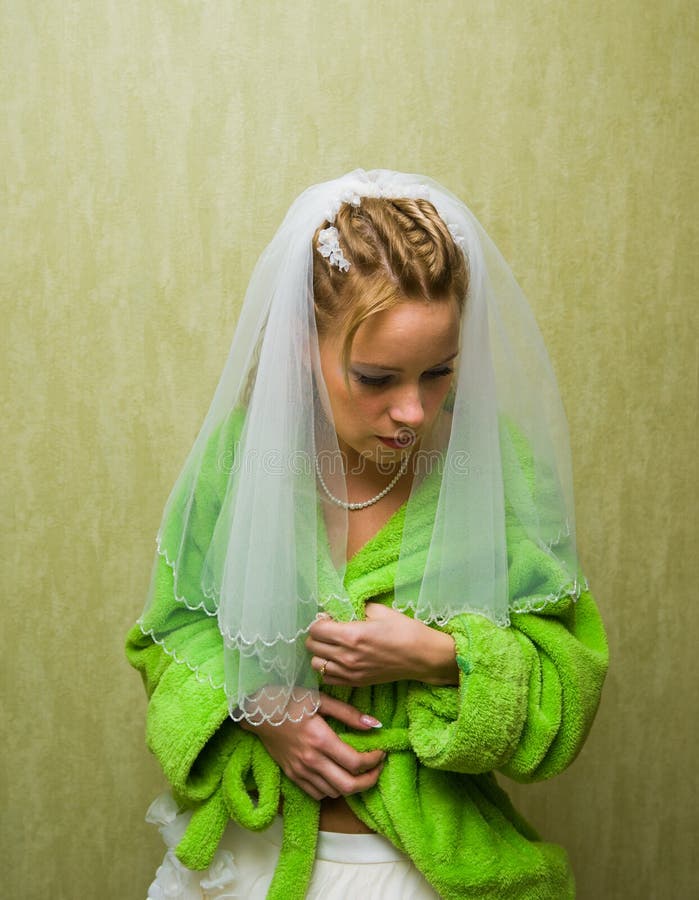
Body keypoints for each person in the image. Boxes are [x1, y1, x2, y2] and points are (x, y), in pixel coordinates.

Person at [125, 169, 609, 899]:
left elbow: (564, 692)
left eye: (438, 373)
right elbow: (165, 640)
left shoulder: (496, 470)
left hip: (423, 867)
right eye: (376, 378)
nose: (411, 411)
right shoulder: (240, 462)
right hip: (251, 856)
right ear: (300, 346)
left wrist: (443, 658)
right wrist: (263, 711)